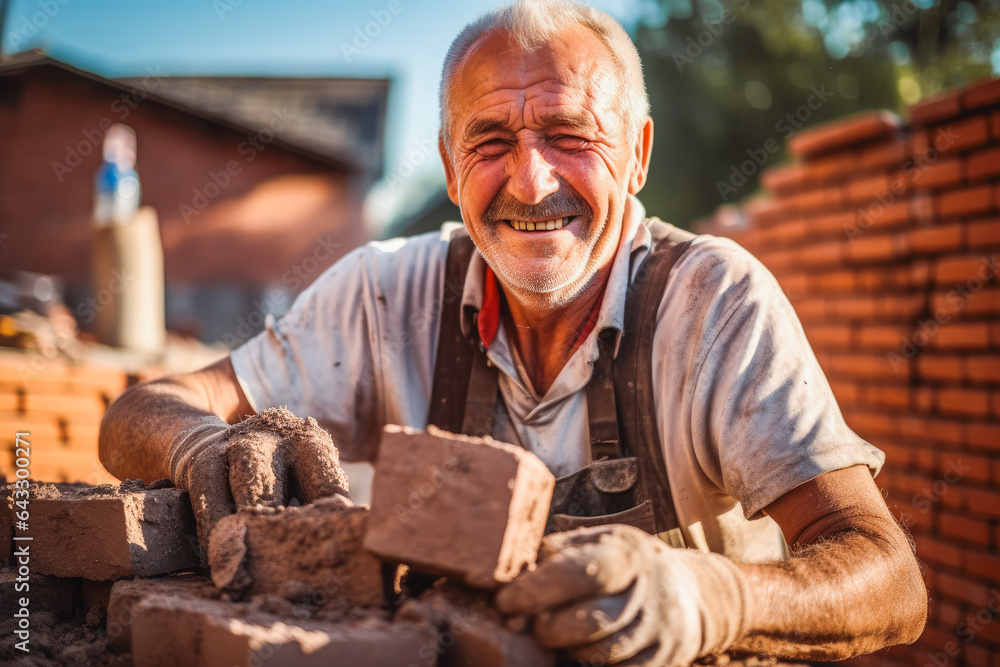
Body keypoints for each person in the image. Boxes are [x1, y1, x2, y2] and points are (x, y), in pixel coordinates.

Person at [99, 1, 927, 664]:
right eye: (491, 141)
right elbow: (143, 409)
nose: (531, 181)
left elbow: (892, 582)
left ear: (637, 155)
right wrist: (200, 449)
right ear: (452, 168)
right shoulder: (388, 292)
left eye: (571, 136)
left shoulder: (714, 303)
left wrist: (711, 598)